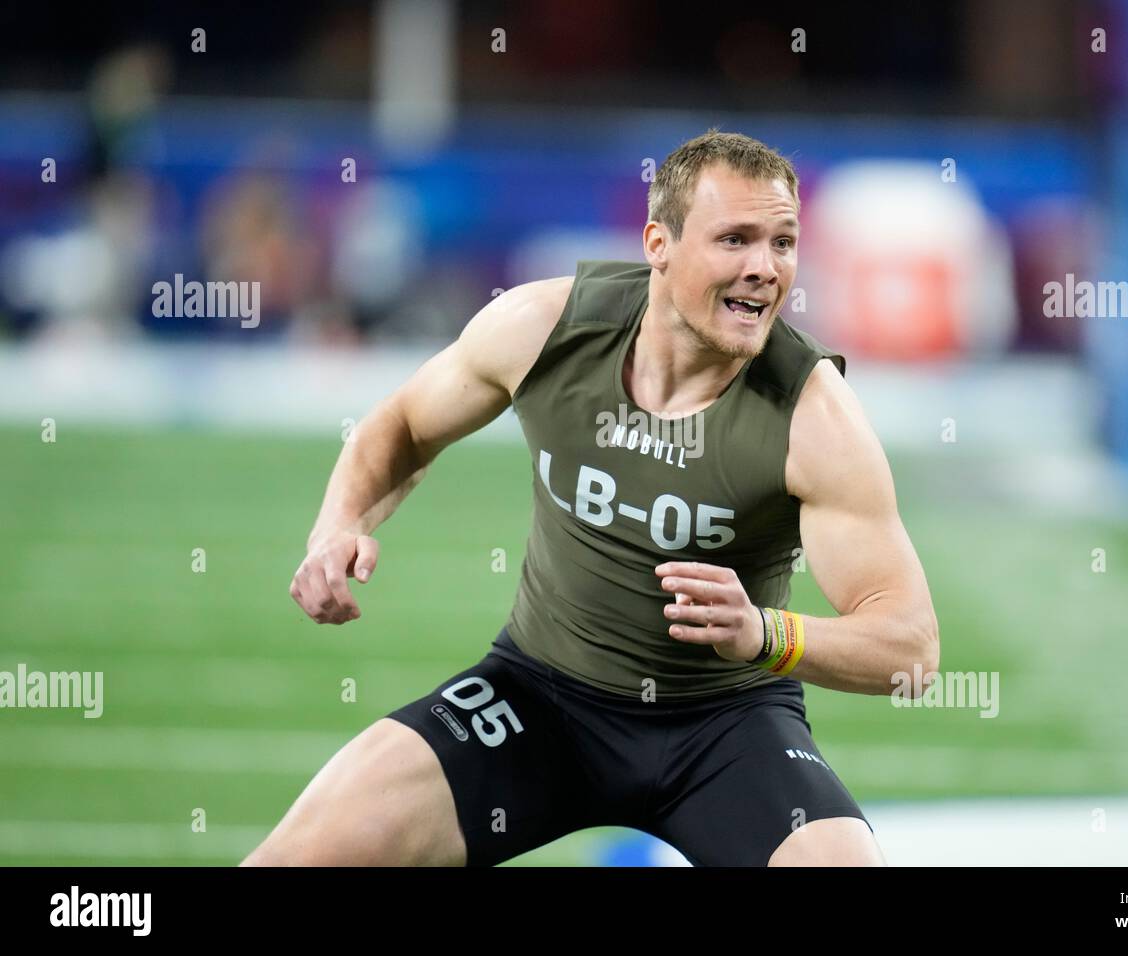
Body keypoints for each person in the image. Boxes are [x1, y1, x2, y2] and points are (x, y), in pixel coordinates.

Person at [242, 129, 939, 867]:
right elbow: (403, 425)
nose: (765, 269)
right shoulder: (545, 330)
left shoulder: (812, 415)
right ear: (658, 244)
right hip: (537, 702)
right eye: (735, 240)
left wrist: (768, 634)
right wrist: (337, 527)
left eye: (783, 242)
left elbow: (911, 647)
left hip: (725, 727)